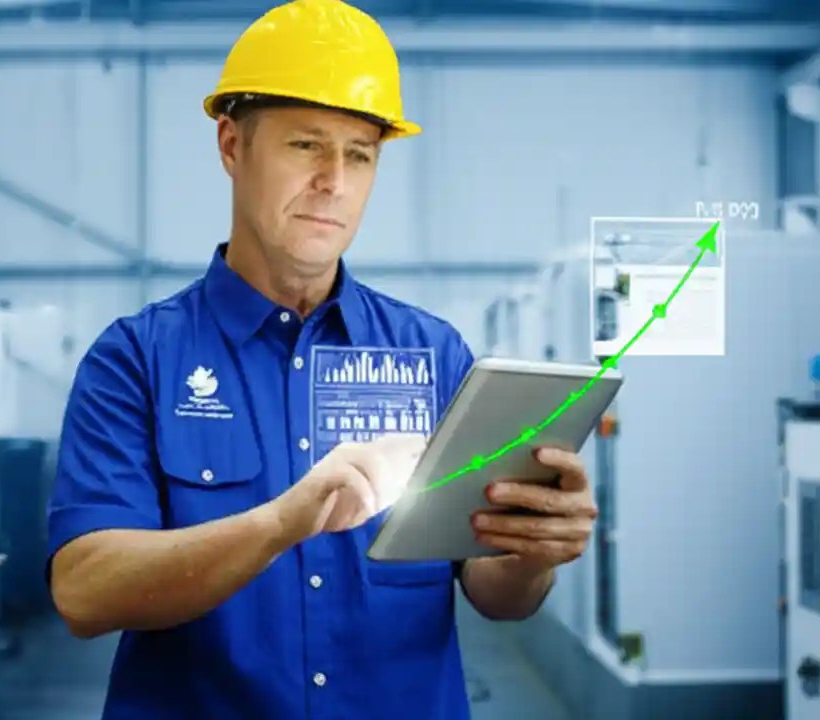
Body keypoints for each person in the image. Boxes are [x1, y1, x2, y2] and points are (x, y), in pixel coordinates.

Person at [45, 1, 599, 717]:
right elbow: (85, 593)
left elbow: (496, 596)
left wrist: (532, 550)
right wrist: (281, 523)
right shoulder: (136, 360)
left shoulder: (432, 355)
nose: (335, 180)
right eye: (306, 145)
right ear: (231, 145)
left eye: (360, 154)